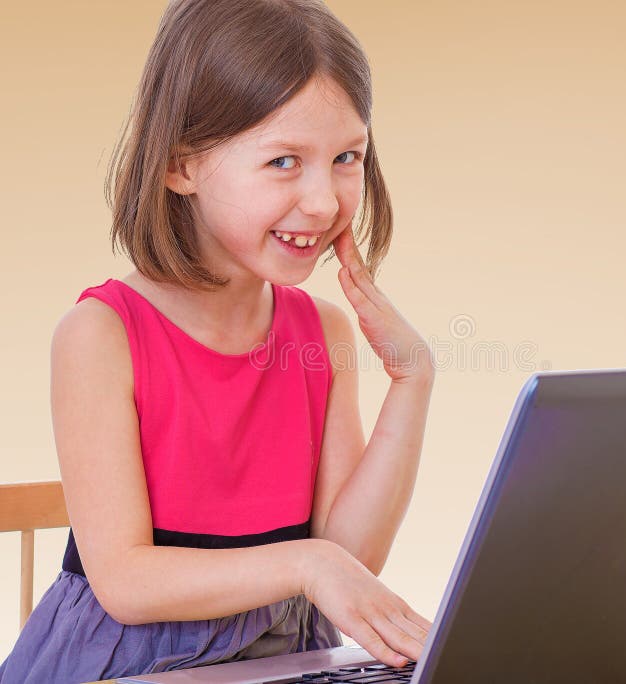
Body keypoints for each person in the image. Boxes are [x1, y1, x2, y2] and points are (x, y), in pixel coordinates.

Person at [0, 0, 435, 681]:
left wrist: (412, 380)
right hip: (126, 666)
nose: (324, 201)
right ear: (181, 166)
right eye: (284, 160)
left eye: (346, 157)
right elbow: (126, 581)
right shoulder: (101, 335)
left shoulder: (321, 333)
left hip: (285, 661)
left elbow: (350, 557)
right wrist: (306, 563)